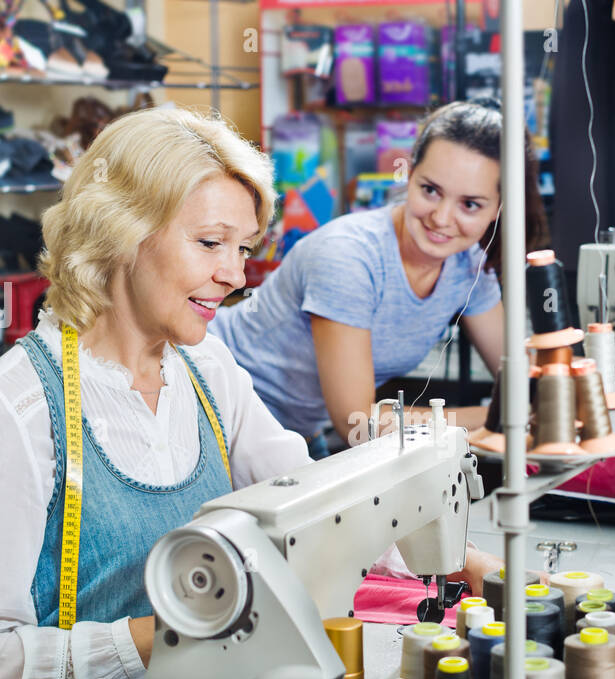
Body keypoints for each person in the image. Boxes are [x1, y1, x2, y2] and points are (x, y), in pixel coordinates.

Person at [0, 105, 501, 679]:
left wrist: (440, 560)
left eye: (242, 248)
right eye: (210, 245)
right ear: (121, 230)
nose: (235, 275)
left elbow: (314, 502)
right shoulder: (14, 411)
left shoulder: (206, 371)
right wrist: (172, 632)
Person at [212, 99, 549, 457]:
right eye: (430, 190)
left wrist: (556, 399)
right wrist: (501, 417)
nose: (442, 217)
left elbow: (521, 377)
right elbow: (359, 425)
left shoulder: (468, 265)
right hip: (219, 404)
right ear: (410, 174)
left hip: (296, 427)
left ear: (499, 207)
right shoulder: (349, 257)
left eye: (470, 205)